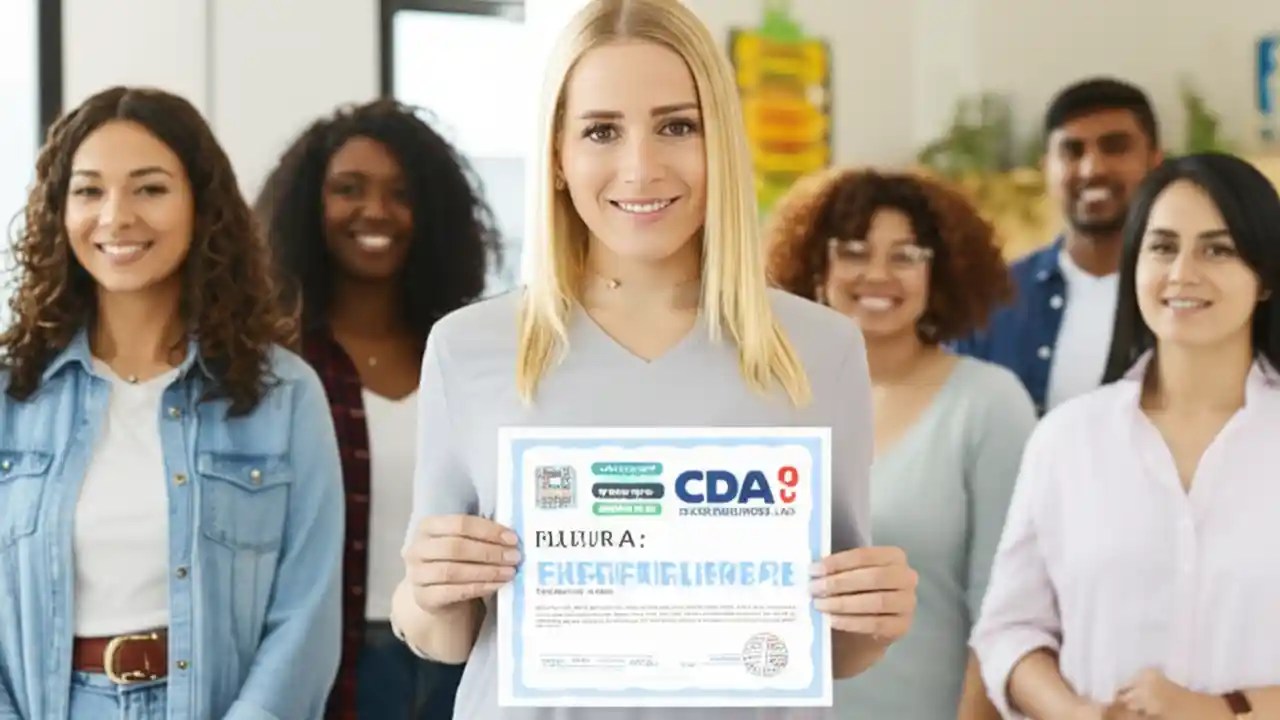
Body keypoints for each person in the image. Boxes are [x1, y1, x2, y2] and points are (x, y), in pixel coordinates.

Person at [388, 0, 921, 718]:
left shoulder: (820, 351)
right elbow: (444, 637)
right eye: (601, 131)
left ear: (721, 143)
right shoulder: (469, 348)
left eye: (677, 126)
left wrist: (877, 615)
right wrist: (428, 590)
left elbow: (837, 647)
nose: (640, 167)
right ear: (556, 155)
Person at [0, 86, 344, 720]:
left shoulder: (284, 395)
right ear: (58, 209)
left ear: (201, 207)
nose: (116, 216)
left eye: (150, 188)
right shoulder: (10, 393)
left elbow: (307, 613)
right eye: (89, 190)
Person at [970, 153, 1280, 720]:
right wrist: (1074, 712)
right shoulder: (1066, 440)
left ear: (1265, 278)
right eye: (1162, 247)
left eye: (1218, 248)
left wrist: (1227, 709)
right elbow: (1009, 631)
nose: (1183, 273)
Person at [256, 98, 502, 720]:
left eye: (401, 192)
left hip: (466, 646)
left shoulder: (471, 354)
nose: (376, 211)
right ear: (310, 208)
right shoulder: (277, 364)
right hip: (331, 658)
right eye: (348, 189)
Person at [766, 168, 1036, 720]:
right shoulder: (769, 399)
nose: (878, 275)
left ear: (940, 273)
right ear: (816, 265)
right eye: (854, 251)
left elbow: (1004, 611)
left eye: (906, 256)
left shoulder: (987, 404)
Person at [952, 77, 1163, 415]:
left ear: (1155, 162)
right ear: (1046, 168)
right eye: (1072, 151)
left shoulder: (1190, 295)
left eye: (1115, 147)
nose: (1093, 169)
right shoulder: (992, 300)